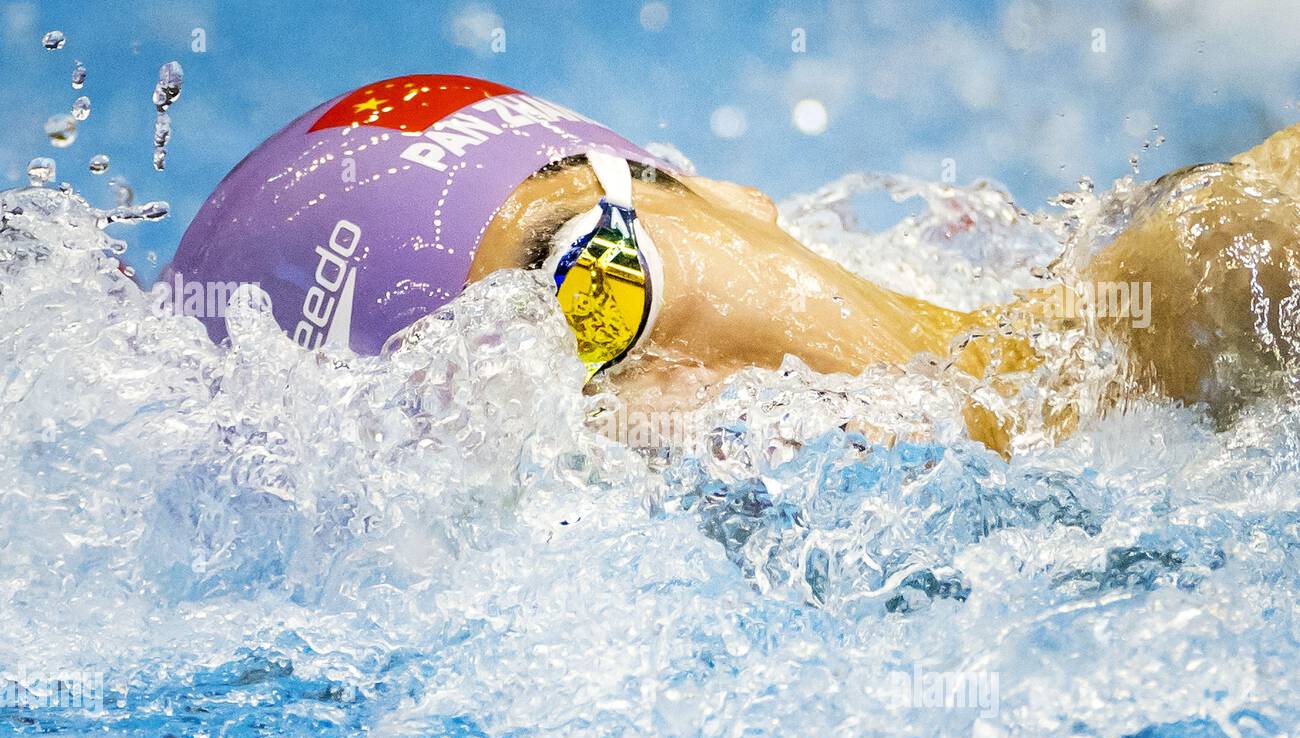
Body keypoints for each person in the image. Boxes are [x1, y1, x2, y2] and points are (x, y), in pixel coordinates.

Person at [169, 73, 1300, 454]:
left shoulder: (1237, 271)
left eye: (586, 290)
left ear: (720, 196)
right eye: (533, 436)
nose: (651, 427)